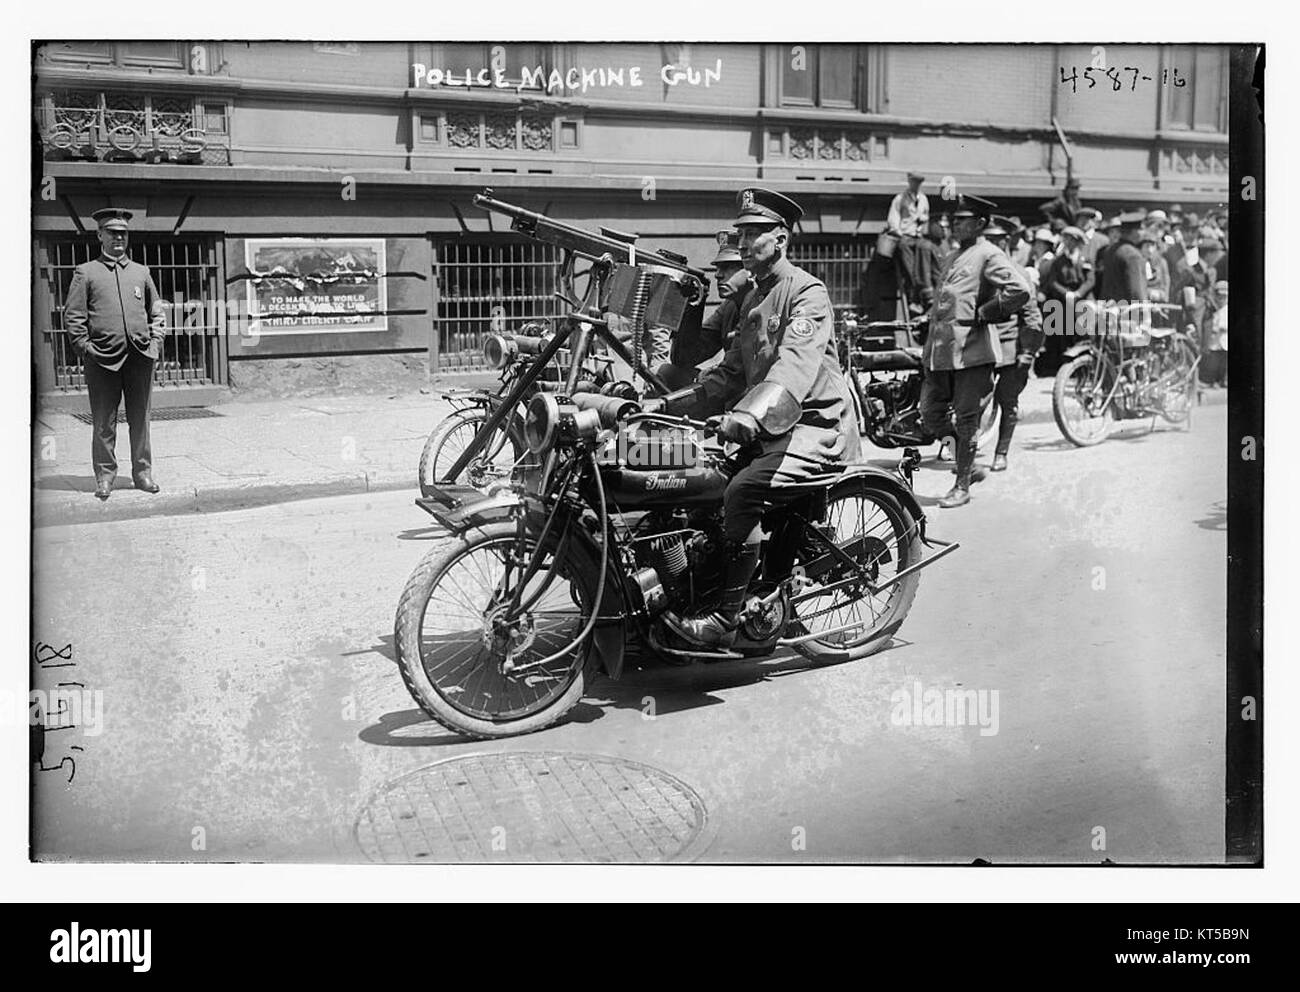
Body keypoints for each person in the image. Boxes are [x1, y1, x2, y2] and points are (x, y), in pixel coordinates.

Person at [643, 187, 861, 645]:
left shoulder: (806, 292)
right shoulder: (750, 299)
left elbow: (793, 367)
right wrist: (666, 405)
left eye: (753, 234)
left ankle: (724, 618)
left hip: (814, 427)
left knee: (741, 490)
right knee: (693, 475)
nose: (742, 244)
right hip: (771, 428)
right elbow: (726, 375)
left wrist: (746, 419)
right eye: (739, 233)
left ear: (779, 239)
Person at [920, 194, 1031, 508]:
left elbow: (1019, 290)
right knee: (930, 415)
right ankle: (968, 464)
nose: (955, 224)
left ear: (980, 223)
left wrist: (987, 312)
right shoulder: (954, 255)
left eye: (962, 220)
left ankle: (962, 485)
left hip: (972, 353)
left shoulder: (989, 253)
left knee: (967, 421)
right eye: (954, 220)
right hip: (941, 353)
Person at [63, 208, 167, 500]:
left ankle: (142, 473)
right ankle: (105, 477)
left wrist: (155, 345)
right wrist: (85, 348)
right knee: (103, 422)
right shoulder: (86, 272)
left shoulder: (141, 272)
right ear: (100, 235)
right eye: (112, 232)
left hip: (139, 358)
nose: (118, 238)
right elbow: (73, 316)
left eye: (123, 233)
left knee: (140, 419)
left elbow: (156, 312)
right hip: (102, 360)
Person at [656, 230, 754, 389]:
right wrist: (694, 303)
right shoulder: (729, 307)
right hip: (729, 385)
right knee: (669, 373)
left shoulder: (763, 304)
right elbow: (683, 359)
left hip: (752, 394)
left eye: (728, 267)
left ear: (750, 270)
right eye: (718, 268)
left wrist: (706, 375)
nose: (717, 275)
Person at [983, 224, 1045, 473]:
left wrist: (1027, 352)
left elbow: (1032, 317)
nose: (992, 246)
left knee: (1008, 402)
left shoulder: (1019, 273)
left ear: (1006, 242)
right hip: (982, 349)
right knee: (973, 403)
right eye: (988, 240)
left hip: (1009, 350)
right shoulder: (979, 272)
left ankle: (1001, 453)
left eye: (997, 241)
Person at [1038, 225, 1095, 375]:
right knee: (1064, 335)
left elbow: (1090, 280)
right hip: (1065, 302)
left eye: (1071, 241)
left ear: (1077, 242)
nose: (1067, 243)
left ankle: (1084, 370)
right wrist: (1067, 294)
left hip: (1083, 302)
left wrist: (1078, 293)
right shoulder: (1058, 261)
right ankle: (1066, 369)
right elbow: (1053, 282)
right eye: (1066, 240)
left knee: (1084, 335)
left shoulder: (1085, 259)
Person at [886, 172, 930, 311]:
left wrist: (922, 222)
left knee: (926, 250)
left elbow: (926, 216)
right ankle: (915, 291)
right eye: (913, 182)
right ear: (909, 182)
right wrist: (898, 232)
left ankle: (926, 290)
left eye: (918, 182)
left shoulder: (923, 199)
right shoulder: (900, 198)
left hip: (918, 236)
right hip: (905, 235)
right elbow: (893, 217)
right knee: (908, 260)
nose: (915, 185)